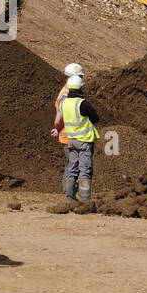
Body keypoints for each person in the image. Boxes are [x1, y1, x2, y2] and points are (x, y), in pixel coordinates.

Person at [51, 74, 101, 202]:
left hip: (71, 140)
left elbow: (58, 121)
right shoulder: (82, 103)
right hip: (84, 140)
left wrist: (58, 130)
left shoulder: (64, 103)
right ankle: (85, 199)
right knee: (85, 169)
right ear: (80, 88)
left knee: (72, 168)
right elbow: (95, 118)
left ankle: (69, 198)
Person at [54, 62, 84, 146]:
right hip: (71, 139)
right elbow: (58, 120)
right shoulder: (66, 95)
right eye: (80, 77)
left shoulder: (70, 91)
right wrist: (58, 128)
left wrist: (57, 129)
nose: (81, 79)